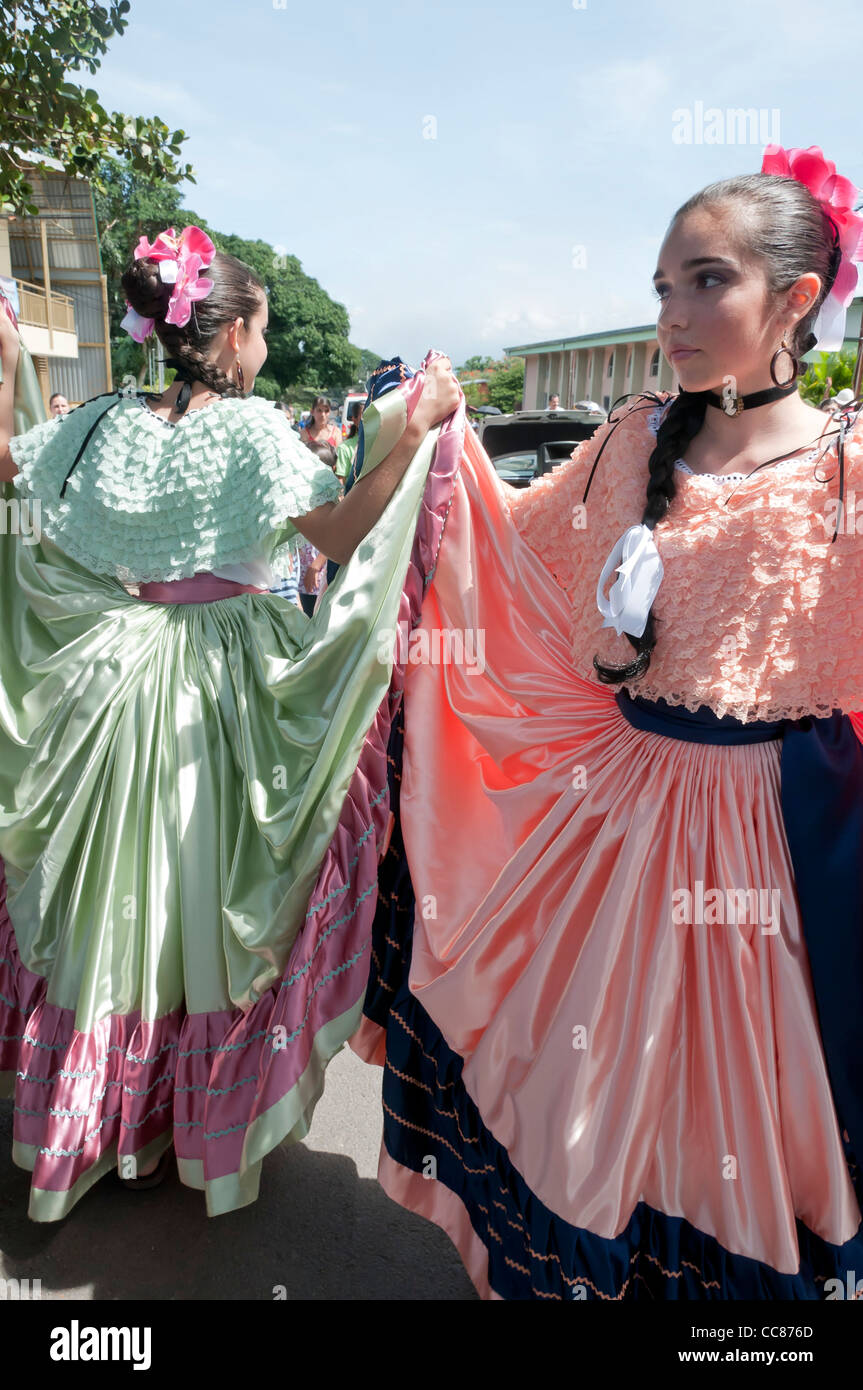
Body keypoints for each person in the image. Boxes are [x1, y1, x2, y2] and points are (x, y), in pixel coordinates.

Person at [347, 142, 863, 1299]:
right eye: (661, 288)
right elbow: (494, 550)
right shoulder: (632, 437)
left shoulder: (846, 478)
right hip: (611, 827)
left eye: (704, 281)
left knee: (730, 1113)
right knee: (578, 1102)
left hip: (769, 855)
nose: (671, 315)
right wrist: (435, 439)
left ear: (795, 299)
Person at [0, 222, 460, 1221]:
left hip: (116, 671)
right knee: (198, 899)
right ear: (239, 325)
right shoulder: (251, 430)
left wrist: (6, 364)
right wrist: (413, 431)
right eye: (260, 325)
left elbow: (9, 466)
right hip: (218, 678)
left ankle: (90, 1119)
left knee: (115, 897)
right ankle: (177, 1116)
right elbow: (340, 532)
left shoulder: (102, 423)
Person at [335, 402, 363, 482]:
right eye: (364, 415)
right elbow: (341, 479)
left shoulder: (379, 442)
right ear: (354, 419)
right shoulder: (344, 448)